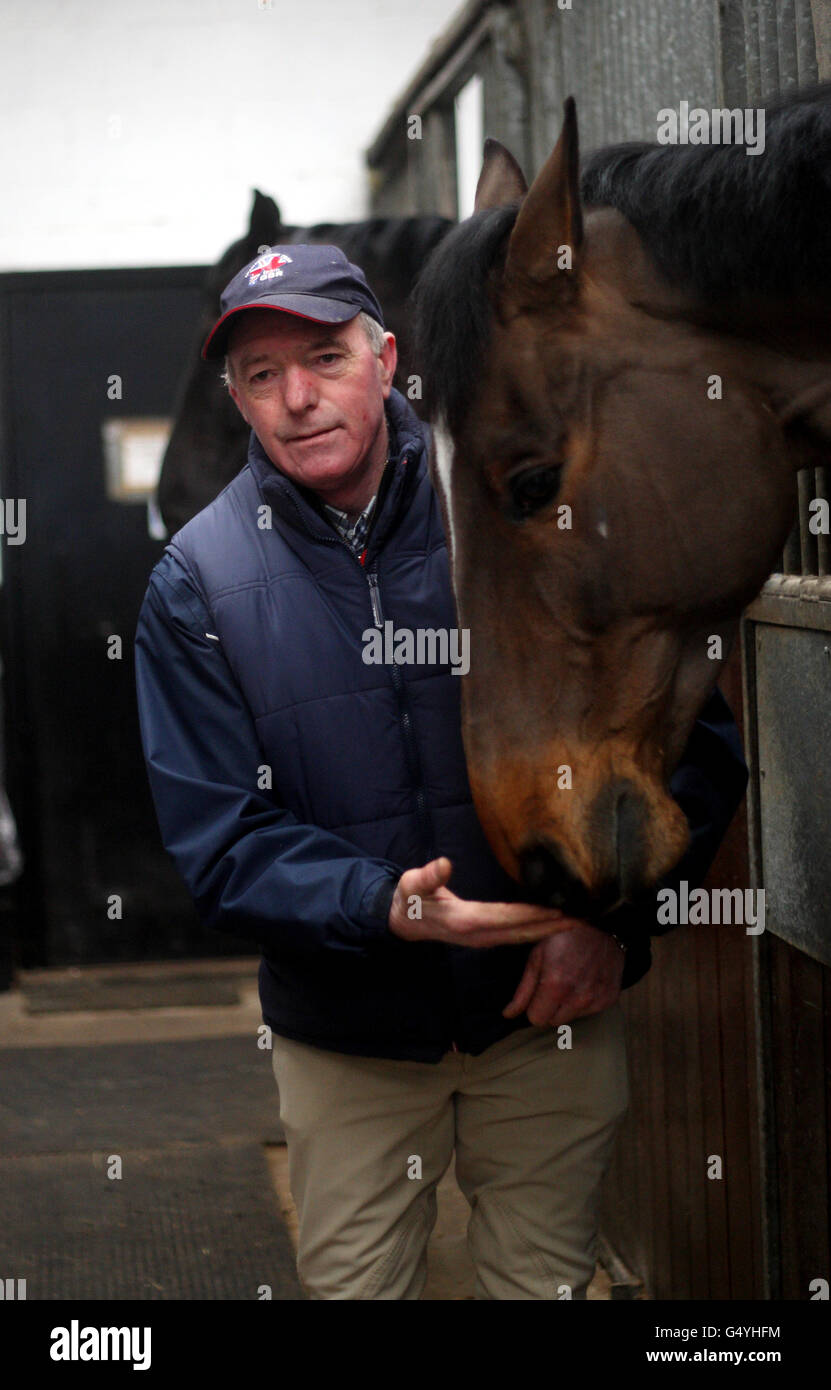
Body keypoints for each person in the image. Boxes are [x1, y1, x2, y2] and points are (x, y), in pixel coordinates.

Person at [135, 244, 748, 1300]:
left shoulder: (529, 506)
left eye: (324, 356)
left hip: (547, 1010)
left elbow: (690, 751)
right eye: (261, 375)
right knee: (360, 1288)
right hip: (350, 1038)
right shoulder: (195, 582)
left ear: (385, 355)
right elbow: (222, 843)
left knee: (546, 1284)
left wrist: (616, 924)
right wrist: (384, 907)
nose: (297, 398)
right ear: (234, 398)